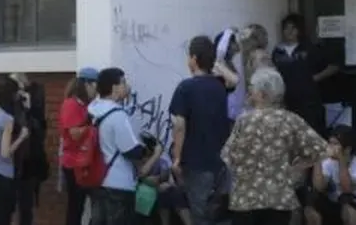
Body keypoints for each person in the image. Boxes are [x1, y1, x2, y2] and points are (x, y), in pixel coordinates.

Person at [221, 68, 328, 225]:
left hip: (247, 197)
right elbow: (320, 150)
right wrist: (295, 168)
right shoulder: (291, 120)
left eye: (252, 88)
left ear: (262, 94)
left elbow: (228, 156)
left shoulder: (245, 120)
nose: (250, 92)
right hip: (279, 197)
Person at [169, 35, 230, 225]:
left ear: (194, 59)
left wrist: (176, 158)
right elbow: (234, 80)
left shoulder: (185, 88)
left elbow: (179, 126)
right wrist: (216, 63)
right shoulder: (220, 86)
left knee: (200, 214)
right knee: (219, 214)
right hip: (221, 162)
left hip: (196, 162)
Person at [88, 67, 160, 225]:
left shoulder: (93, 110)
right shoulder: (117, 115)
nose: (127, 86)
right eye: (124, 82)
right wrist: (152, 151)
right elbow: (131, 151)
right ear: (114, 88)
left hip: (98, 179)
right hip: (118, 182)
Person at [271, 14, 337, 137]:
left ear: (299, 30)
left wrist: (315, 78)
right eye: (286, 28)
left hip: (309, 101)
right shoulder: (277, 51)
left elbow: (333, 66)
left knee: (312, 134)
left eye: (293, 28)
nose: (289, 31)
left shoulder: (309, 49)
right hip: (287, 101)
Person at [306, 125, 356, 225]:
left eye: (335, 144)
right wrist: (317, 160)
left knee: (347, 199)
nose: (330, 147)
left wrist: (341, 159)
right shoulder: (328, 163)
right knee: (312, 198)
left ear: (347, 149)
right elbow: (318, 187)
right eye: (330, 143)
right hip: (338, 208)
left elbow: (347, 188)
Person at [0, 77, 27, 225]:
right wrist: (21, 137)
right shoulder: (7, 119)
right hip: (3, 174)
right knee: (2, 218)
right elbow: (5, 153)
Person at [59, 68, 97, 225]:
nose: (96, 91)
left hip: (83, 161)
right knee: (75, 206)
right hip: (74, 163)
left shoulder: (84, 105)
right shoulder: (71, 104)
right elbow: (74, 133)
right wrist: (91, 126)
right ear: (86, 84)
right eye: (95, 86)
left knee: (82, 205)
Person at [11, 74, 48, 225]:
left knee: (26, 206)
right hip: (11, 158)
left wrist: (29, 108)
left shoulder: (33, 107)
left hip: (28, 160)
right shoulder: (8, 106)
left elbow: (40, 132)